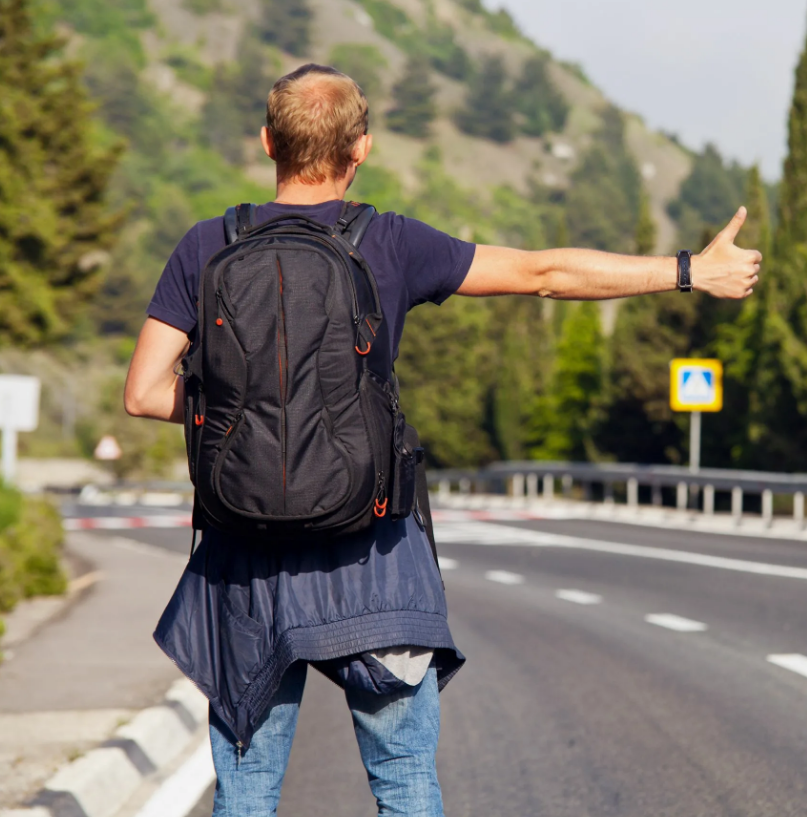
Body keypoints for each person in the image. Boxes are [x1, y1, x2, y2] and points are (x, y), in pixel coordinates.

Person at [124, 63, 760, 817]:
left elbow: (143, 393)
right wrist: (691, 270)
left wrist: (245, 411)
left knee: (249, 793)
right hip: (375, 564)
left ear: (268, 142)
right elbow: (544, 272)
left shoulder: (206, 246)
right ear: (362, 149)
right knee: (404, 785)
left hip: (245, 572)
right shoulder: (388, 243)